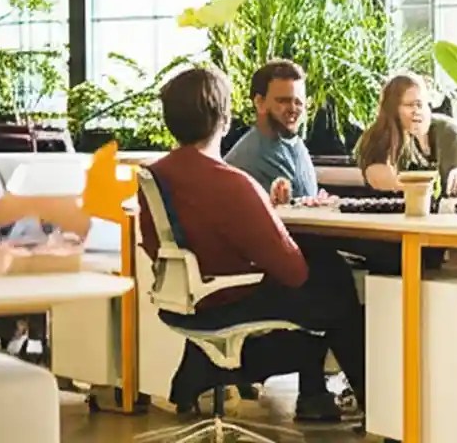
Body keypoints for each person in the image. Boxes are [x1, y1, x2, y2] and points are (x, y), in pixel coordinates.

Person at [137, 67, 364, 422]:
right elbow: (292, 271)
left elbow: (155, 247)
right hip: (233, 302)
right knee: (331, 277)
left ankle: (314, 396)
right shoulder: (233, 184)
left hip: (190, 302)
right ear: (224, 119)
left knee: (324, 280)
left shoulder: (155, 176)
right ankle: (372, 404)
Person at [354, 72, 457, 197]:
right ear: (393, 110)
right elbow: (375, 176)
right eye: (410, 105)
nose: (416, 111)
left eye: (420, 104)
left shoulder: (451, 132)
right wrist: (410, 185)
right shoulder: (379, 137)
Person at [224, 59, 325, 206]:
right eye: (283, 101)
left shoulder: (295, 145)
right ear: (260, 102)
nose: (293, 109)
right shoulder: (246, 162)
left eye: (298, 102)